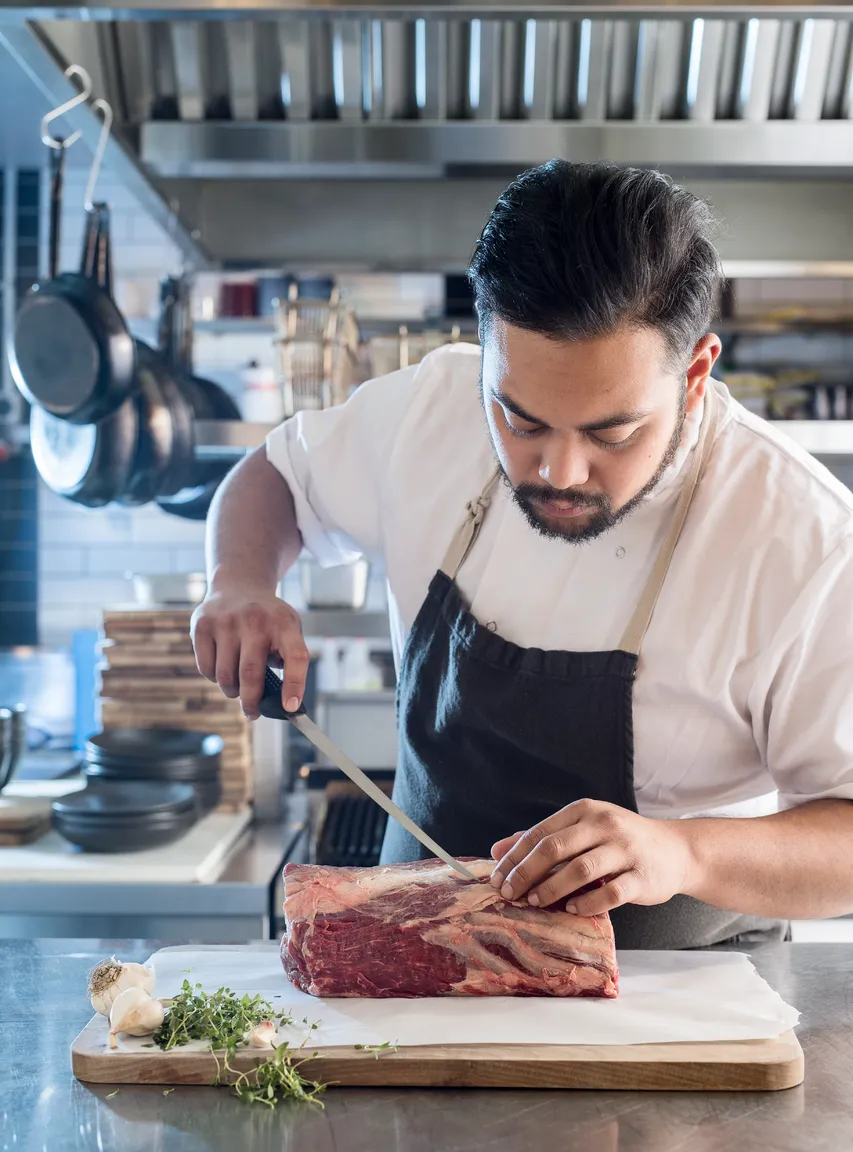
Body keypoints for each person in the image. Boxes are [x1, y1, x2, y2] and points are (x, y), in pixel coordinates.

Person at [192, 160, 853, 949]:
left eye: (612, 432)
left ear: (695, 374)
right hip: (420, 954)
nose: (559, 472)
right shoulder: (430, 409)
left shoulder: (802, 538)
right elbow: (276, 475)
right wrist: (239, 580)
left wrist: (682, 852)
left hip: (681, 981)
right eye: (520, 420)